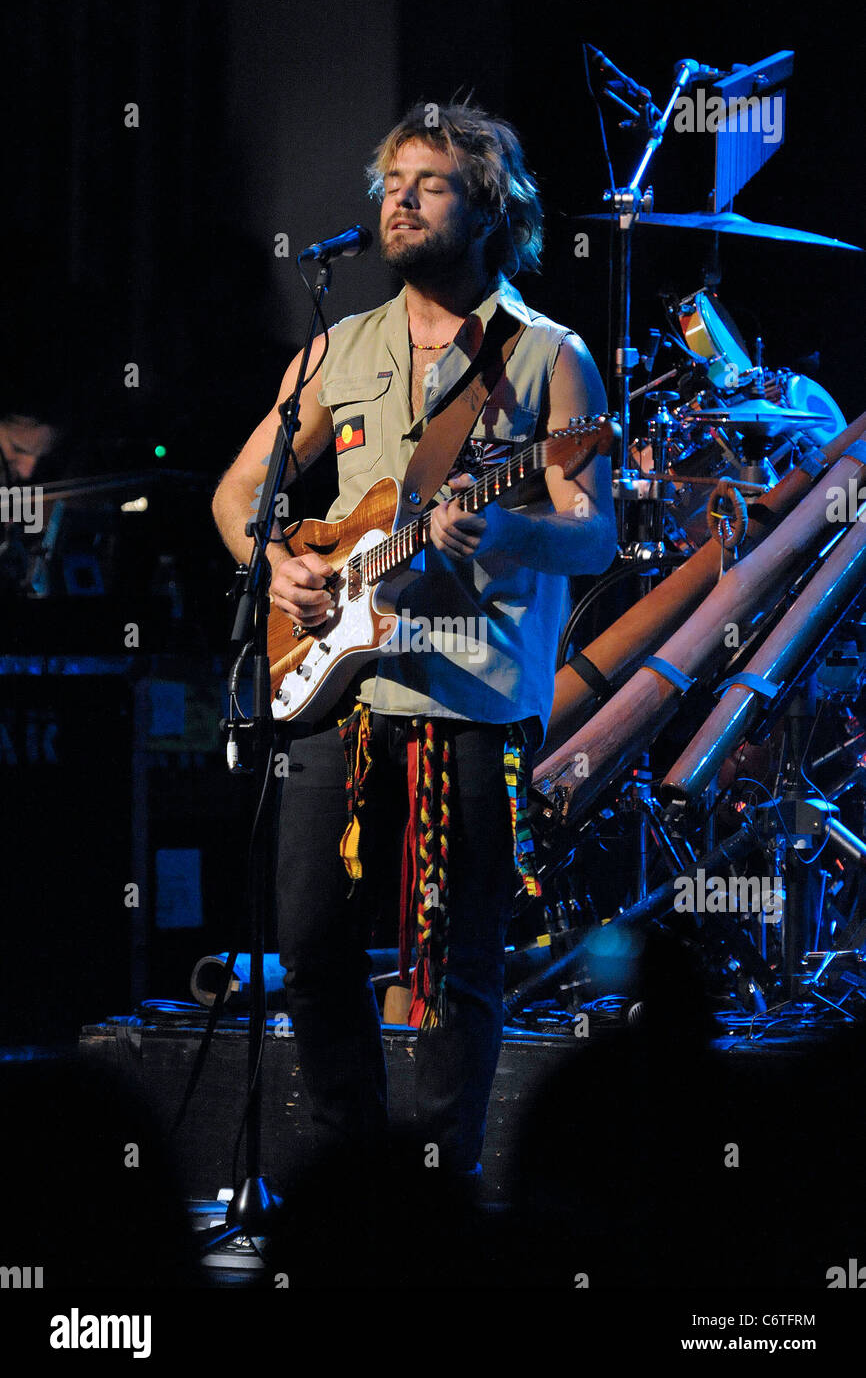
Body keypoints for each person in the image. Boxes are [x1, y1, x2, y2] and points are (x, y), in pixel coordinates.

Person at [212, 102, 617, 1177]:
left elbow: (596, 537)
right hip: (333, 687)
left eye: (426, 183)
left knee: (454, 964)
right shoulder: (338, 348)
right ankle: (349, 1175)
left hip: (471, 698)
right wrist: (283, 567)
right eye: (390, 181)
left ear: (488, 208)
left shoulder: (546, 359)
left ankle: (437, 1194)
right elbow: (240, 490)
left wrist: (508, 525)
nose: (396, 199)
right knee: (305, 944)